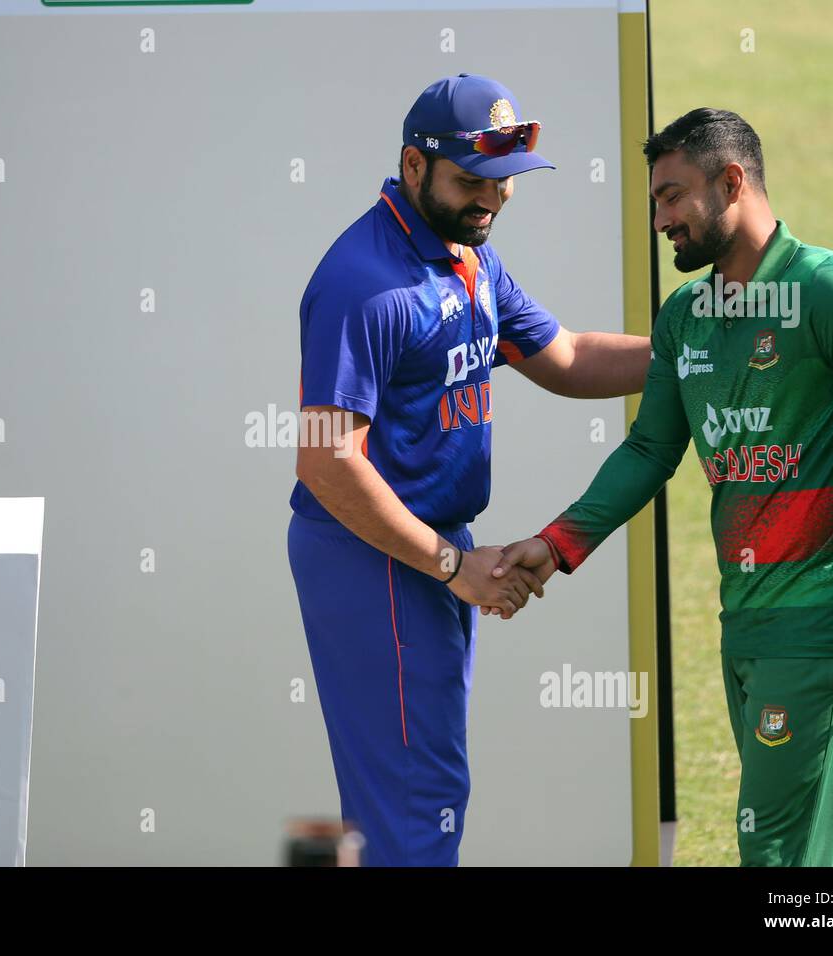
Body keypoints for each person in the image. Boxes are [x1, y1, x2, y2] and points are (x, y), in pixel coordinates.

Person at [491, 108, 833, 866]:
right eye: (654, 203)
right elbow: (647, 450)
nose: (661, 219)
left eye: (673, 197)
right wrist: (558, 542)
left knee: (771, 849)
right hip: (747, 622)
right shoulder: (685, 318)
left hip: (826, 618)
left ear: (732, 181)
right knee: (823, 853)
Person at [288, 73, 650, 866]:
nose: (491, 199)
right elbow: (323, 459)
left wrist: (694, 354)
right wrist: (451, 564)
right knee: (416, 803)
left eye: (503, 182)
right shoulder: (361, 281)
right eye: (471, 181)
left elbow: (566, 357)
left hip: (429, 546)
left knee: (420, 795)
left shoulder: (466, 257)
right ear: (413, 167)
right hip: (375, 557)